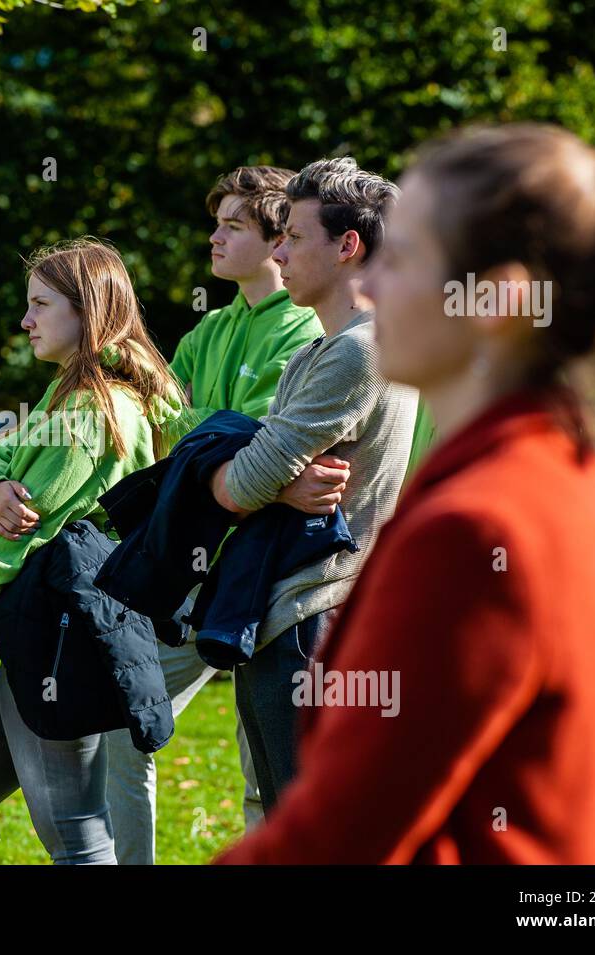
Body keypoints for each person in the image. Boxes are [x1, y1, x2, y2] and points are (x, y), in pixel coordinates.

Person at [217, 123, 595, 864]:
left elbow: (337, 839)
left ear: (496, 299)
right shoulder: (576, 481)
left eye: (402, 258)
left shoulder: (479, 527)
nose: (372, 283)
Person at [0, 238, 183, 865]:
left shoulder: (89, 413)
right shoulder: (67, 397)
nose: (25, 320)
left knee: (74, 834)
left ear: (87, 311)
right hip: (43, 633)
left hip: (58, 635)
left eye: (40, 304)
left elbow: (12, 543)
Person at [103, 166, 325, 863]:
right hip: (191, 569)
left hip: (271, 574)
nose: (215, 236)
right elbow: (178, 441)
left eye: (234, 225)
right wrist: (216, 440)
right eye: (217, 221)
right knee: (123, 717)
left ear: (278, 239)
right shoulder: (209, 329)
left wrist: (209, 438)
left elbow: (261, 444)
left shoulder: (310, 329)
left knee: (271, 774)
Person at [208, 157, 420, 812]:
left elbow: (242, 485)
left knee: (310, 832)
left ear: (347, 246)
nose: (280, 250)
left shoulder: (358, 352)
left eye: (295, 237)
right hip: (287, 620)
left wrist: (222, 468)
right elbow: (257, 472)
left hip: (314, 623)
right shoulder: (321, 350)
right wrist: (258, 474)